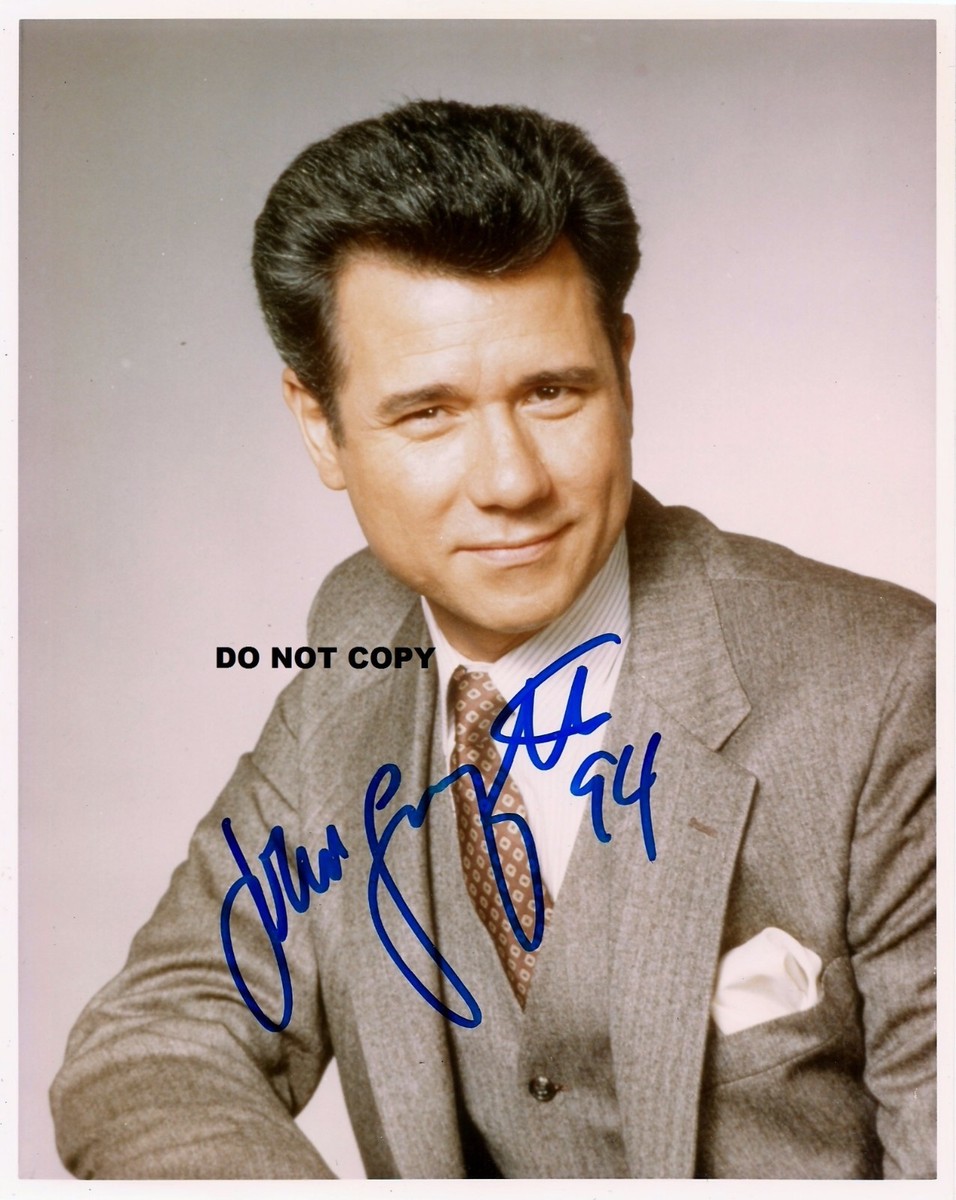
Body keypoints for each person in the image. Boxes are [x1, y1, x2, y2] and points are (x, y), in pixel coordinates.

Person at [50, 99, 935, 1180]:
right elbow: (154, 1038)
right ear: (320, 427)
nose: (511, 482)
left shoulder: (888, 684)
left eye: (551, 391)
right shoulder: (358, 645)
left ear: (622, 368)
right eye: (427, 413)